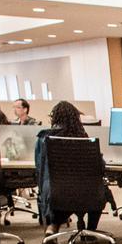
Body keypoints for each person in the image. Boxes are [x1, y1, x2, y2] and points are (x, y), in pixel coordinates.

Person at [34, 101, 104, 236]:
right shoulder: (83, 138)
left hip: (56, 189)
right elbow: (99, 165)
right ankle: (91, 230)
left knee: (62, 194)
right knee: (102, 190)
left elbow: (39, 167)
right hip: (88, 190)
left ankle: (52, 227)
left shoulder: (45, 138)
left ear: (54, 118)